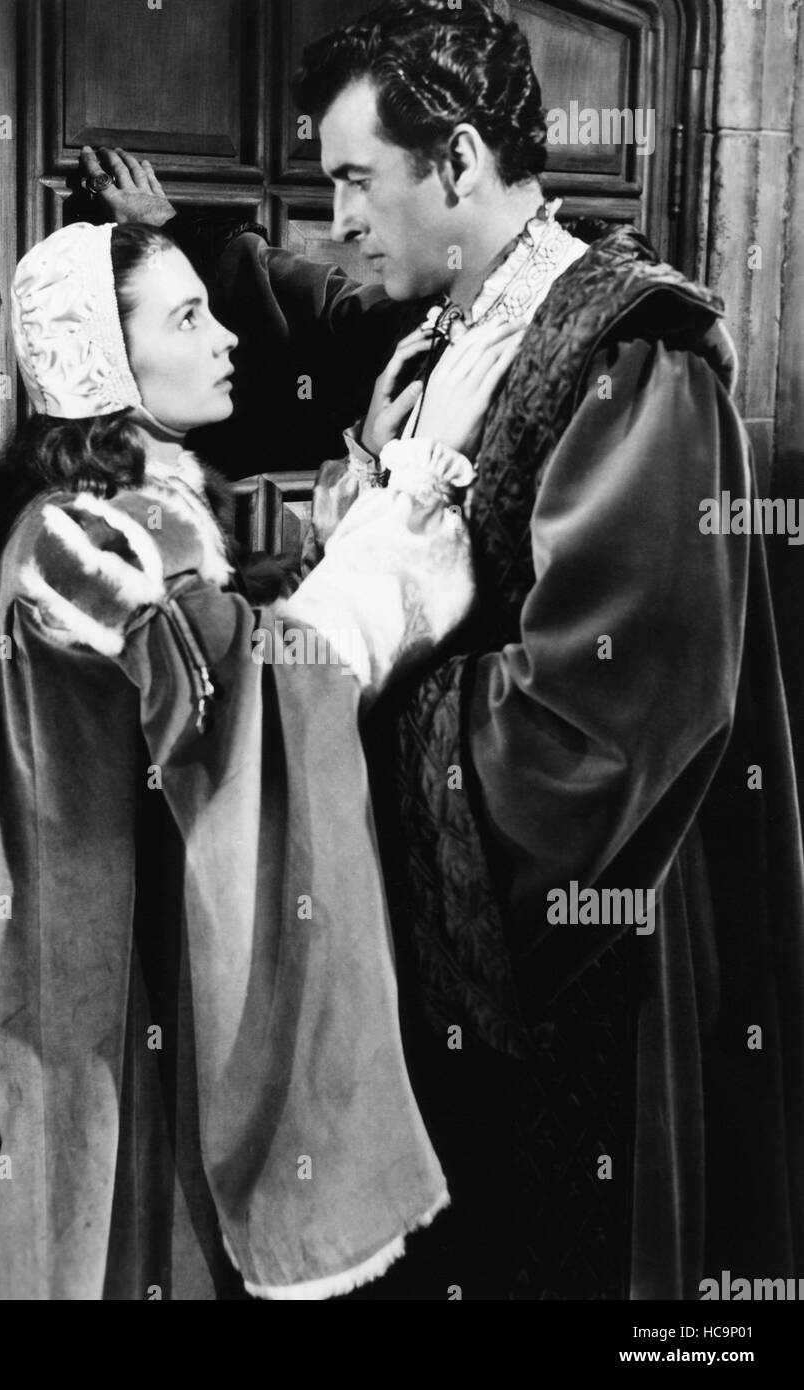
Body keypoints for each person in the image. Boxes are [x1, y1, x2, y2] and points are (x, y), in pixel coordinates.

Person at [90, 0, 804, 1300]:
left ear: (460, 162)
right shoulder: (440, 330)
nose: (340, 219)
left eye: (357, 180)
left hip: (576, 966)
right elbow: (304, 319)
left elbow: (599, 735)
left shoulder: (630, 363)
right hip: (442, 967)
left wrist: (342, 702)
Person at [0, 217, 526, 1301]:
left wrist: (365, 472)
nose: (228, 342)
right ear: (111, 364)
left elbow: (230, 628)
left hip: (140, 938)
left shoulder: (120, 516)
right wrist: (417, 491)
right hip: (109, 976)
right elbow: (254, 692)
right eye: (188, 317)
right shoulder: (82, 541)